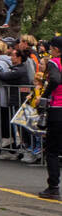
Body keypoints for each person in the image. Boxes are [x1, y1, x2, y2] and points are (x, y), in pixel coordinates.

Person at [39, 35, 62, 200]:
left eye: (51, 48)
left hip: (57, 109)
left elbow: (54, 79)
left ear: (56, 49)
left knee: (52, 150)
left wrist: (45, 95)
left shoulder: (55, 62)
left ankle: (53, 186)